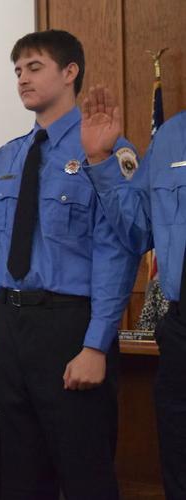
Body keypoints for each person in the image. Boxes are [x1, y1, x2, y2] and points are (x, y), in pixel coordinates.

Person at [0, 30, 138, 499]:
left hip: (70, 324)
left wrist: (97, 344)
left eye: (35, 67)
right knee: (16, 471)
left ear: (70, 73)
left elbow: (119, 249)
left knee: (83, 469)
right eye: (17, 71)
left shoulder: (101, 146)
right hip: (12, 326)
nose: (23, 79)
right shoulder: (8, 156)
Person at [81, 95, 186, 498]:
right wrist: (100, 161)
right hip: (181, 330)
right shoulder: (173, 136)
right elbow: (138, 229)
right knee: (178, 462)